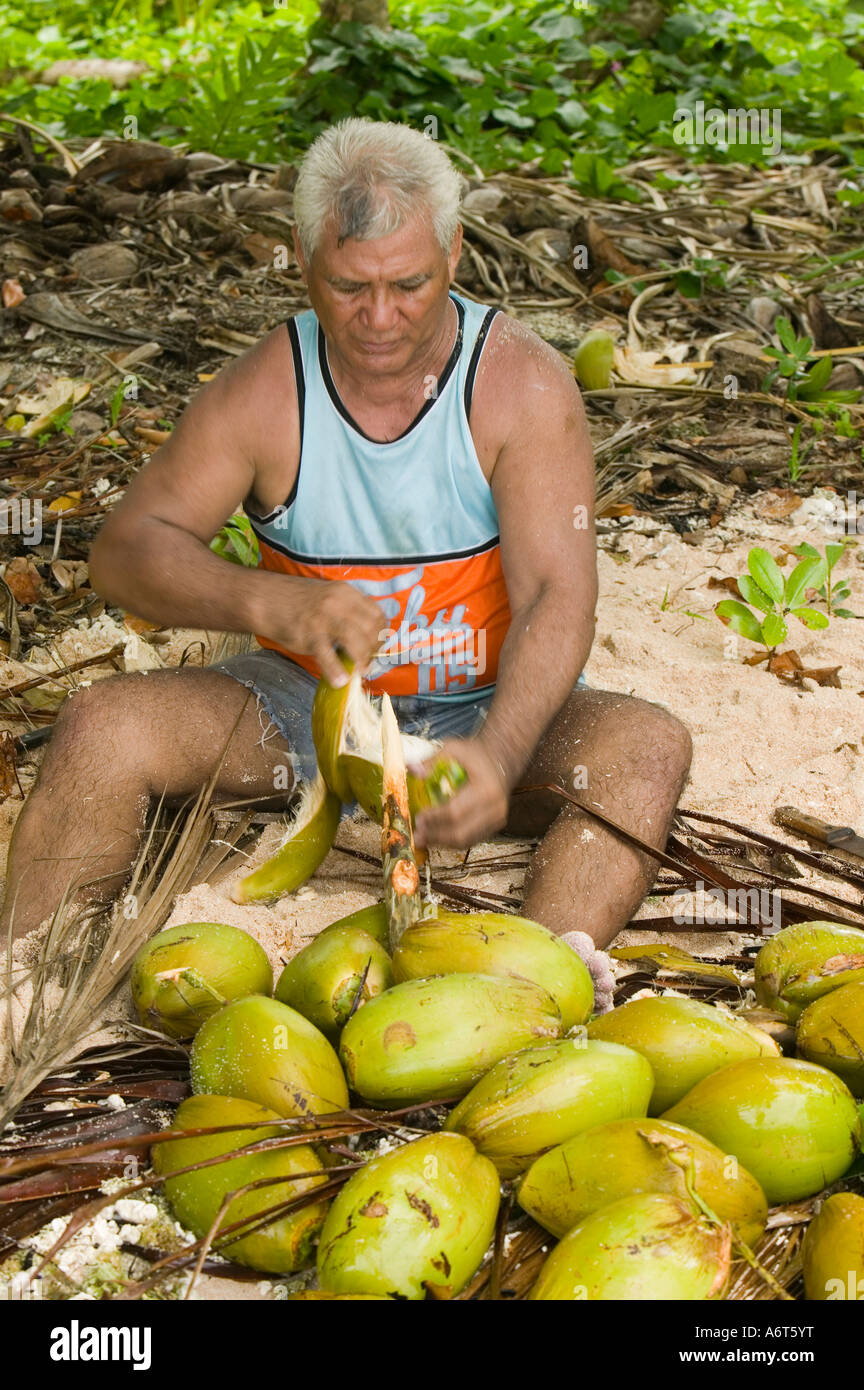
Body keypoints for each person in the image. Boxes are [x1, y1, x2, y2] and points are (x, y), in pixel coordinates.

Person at [0, 119, 692, 1009]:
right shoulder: (264, 390)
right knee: (101, 726)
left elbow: (560, 596)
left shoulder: (520, 382)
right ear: (300, 256)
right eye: (348, 285)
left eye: (409, 284)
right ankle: (24, 986)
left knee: (642, 748)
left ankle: (544, 973)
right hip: (304, 714)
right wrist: (272, 602)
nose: (379, 318)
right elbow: (127, 553)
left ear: (455, 251)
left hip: (487, 699)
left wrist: (498, 752)